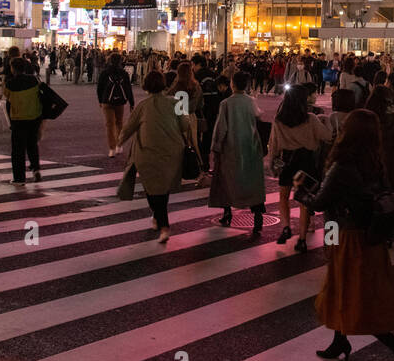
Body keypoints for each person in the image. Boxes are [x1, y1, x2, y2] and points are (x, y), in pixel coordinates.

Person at [296, 109, 394, 361]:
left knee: (355, 298)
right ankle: (339, 341)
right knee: (343, 290)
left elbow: (319, 202)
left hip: (348, 237)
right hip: (370, 236)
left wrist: (300, 192)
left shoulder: (342, 165)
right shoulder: (374, 162)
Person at [122, 69, 200, 244]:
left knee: (152, 188)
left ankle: (163, 225)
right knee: (162, 189)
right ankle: (160, 220)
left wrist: (118, 143)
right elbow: (185, 124)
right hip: (171, 151)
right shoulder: (175, 102)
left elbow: (129, 127)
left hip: (147, 152)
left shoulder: (143, 105)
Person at [267, 82, 331, 250]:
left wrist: (272, 162)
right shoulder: (310, 119)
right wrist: (326, 121)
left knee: (283, 196)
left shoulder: (279, 120)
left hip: (287, 161)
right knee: (304, 201)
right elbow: (327, 136)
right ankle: (302, 239)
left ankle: (286, 227)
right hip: (306, 161)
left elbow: (273, 144)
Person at [210, 71, 267, 237]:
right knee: (253, 183)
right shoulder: (251, 102)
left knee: (226, 180)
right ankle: (257, 217)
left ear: (232, 84)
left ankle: (227, 212)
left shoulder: (226, 103)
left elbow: (221, 129)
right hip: (251, 147)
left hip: (231, 148)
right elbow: (259, 119)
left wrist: (216, 147)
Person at [2, 57, 44, 186]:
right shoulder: (34, 80)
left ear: (13, 68)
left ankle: (19, 178)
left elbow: (6, 98)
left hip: (18, 118)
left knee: (18, 150)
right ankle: (36, 169)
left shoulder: (10, 83)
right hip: (34, 116)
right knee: (32, 144)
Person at [97, 51, 136, 158]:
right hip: (120, 101)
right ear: (120, 61)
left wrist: (100, 100)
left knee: (109, 124)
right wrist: (131, 102)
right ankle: (119, 144)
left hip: (107, 101)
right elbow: (128, 88)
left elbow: (99, 88)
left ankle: (112, 148)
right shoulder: (123, 73)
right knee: (119, 123)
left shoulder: (105, 73)